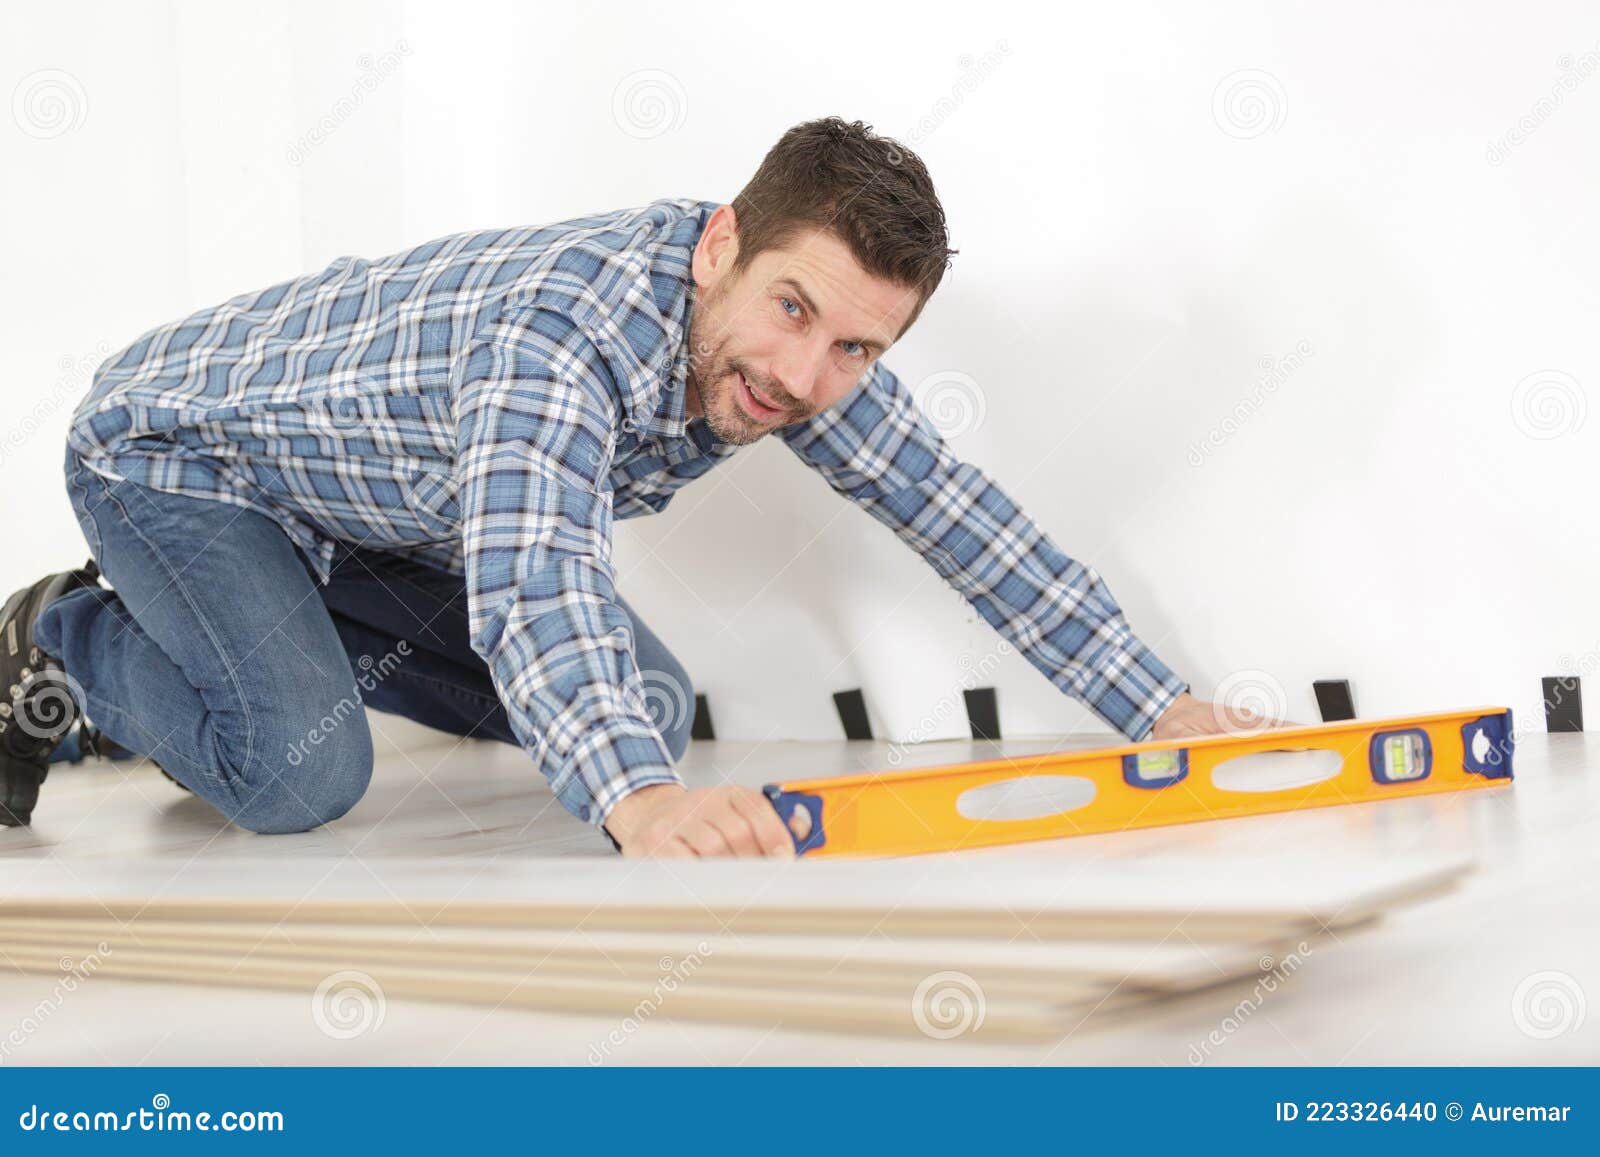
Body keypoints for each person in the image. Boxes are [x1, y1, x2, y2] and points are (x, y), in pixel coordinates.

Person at [0, 117, 1256, 855]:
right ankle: (53, 633)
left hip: (342, 511)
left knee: (642, 693)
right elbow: (535, 579)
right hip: (173, 456)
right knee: (295, 773)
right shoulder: (562, 335)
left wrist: (1160, 708)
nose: (806, 376)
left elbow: (963, 518)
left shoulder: (796, 353)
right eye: (794, 309)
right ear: (722, 244)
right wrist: (643, 805)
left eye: (855, 347)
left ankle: (222, 654)